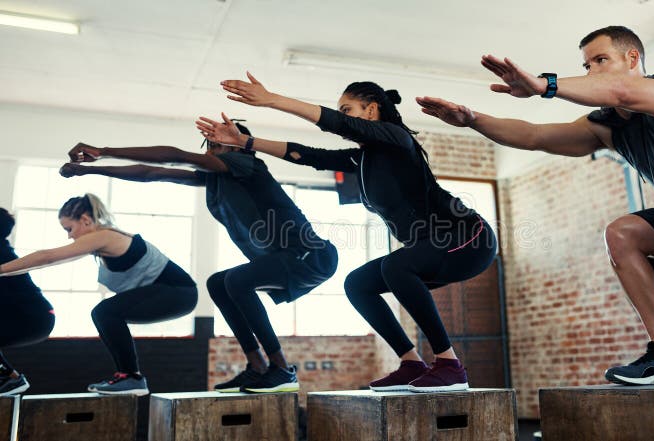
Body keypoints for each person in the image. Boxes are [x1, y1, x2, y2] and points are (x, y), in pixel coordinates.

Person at [416, 25, 654, 385]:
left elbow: (622, 92)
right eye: (586, 65)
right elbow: (535, 136)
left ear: (632, 59)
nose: (591, 70)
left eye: (600, 60)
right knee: (621, 233)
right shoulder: (607, 126)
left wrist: (544, 85)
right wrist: (473, 119)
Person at [196, 76, 497, 392]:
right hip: (432, 247)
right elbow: (306, 154)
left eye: (348, 108)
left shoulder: (398, 139)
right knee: (358, 284)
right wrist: (246, 143)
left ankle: (449, 365)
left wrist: (273, 99)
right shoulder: (363, 158)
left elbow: (335, 124)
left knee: (395, 266)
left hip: (469, 239)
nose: (344, 115)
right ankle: (411, 362)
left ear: (370, 111)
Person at [62, 122, 338, 393]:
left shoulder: (249, 166)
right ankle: (258, 367)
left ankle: (281, 370)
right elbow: (152, 173)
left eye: (221, 144)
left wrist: (104, 150)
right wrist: (91, 171)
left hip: (311, 254)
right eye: (211, 145)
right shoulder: (215, 179)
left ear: (242, 148)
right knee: (218, 283)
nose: (212, 150)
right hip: (289, 258)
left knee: (237, 280)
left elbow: (175, 157)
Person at [0, 195, 198, 395]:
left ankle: (131, 377)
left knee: (105, 312)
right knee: (106, 313)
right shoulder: (99, 246)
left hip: (180, 292)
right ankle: (128, 376)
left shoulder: (105, 236)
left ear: (85, 220)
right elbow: (43, 262)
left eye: (69, 229)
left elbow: (47, 257)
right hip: (172, 295)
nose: (69, 236)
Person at [0, 208, 55, 396]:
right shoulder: (4, 248)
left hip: (32, 318)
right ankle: (10, 378)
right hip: (35, 317)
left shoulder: (2, 252)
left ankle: (10, 378)